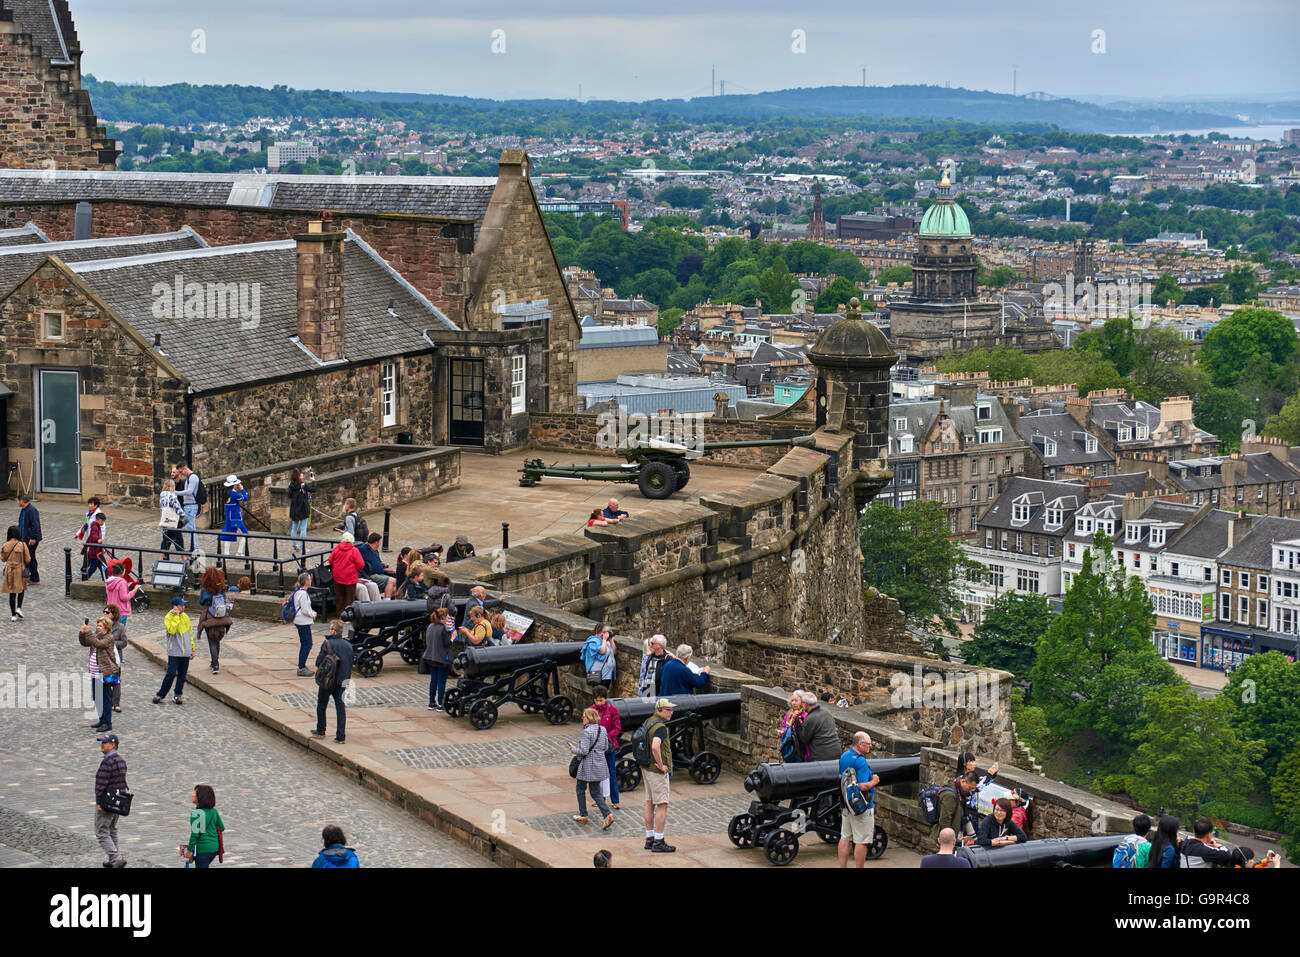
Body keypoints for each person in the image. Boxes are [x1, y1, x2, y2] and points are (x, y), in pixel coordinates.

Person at [837, 731, 880, 868]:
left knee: (845, 837)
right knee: (862, 841)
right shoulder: (860, 761)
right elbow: (862, 786)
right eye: (868, 744)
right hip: (861, 806)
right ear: (860, 744)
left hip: (846, 804)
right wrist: (874, 781)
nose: (870, 746)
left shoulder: (844, 756)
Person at [570, 708, 614, 829]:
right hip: (600, 765)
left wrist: (573, 748)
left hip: (588, 766)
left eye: (584, 716)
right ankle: (607, 814)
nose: (582, 718)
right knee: (595, 792)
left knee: (580, 789)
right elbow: (605, 747)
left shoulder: (587, 732)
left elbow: (583, 751)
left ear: (589, 718)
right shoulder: (603, 729)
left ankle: (583, 814)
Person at [642, 698, 675, 853]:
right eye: (668, 710)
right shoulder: (660, 727)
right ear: (660, 710)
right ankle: (659, 841)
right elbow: (655, 747)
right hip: (656, 771)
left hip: (646, 768)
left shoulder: (649, 721)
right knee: (662, 805)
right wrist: (662, 765)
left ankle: (650, 838)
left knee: (649, 803)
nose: (671, 712)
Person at [312, 622, 354, 744]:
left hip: (328, 681)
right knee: (340, 709)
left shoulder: (327, 644)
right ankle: (341, 737)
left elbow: (318, 662)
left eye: (331, 629)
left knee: (321, 705)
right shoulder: (348, 645)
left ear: (334, 631)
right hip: (341, 681)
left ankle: (321, 729)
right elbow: (350, 664)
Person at [94, 733, 129, 868]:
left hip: (107, 801)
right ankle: (113, 858)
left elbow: (100, 784)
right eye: (102, 742)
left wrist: (99, 802)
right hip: (118, 800)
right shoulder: (120, 760)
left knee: (101, 831)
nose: (102, 744)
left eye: (105, 742)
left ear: (113, 745)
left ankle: (115, 857)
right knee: (112, 829)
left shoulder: (107, 762)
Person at [153, 596, 194, 705]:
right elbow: (171, 630)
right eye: (181, 605)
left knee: (182, 674)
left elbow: (189, 634)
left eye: (184, 605)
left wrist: (192, 649)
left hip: (185, 651)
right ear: (175, 607)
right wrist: (176, 616)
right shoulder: (168, 617)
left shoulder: (186, 617)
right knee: (170, 674)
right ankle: (160, 694)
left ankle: (178, 694)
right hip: (174, 651)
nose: (183, 607)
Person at [80, 616, 118, 732]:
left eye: (100, 626)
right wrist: (82, 633)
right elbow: (85, 642)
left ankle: (107, 722)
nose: (98, 627)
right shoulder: (97, 636)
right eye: (98, 625)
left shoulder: (109, 638)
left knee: (105, 699)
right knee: (97, 698)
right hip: (95, 673)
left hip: (104, 673)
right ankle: (102, 720)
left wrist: (89, 632)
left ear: (106, 627)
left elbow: (98, 644)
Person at [197, 567, 233, 674]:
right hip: (221, 617)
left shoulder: (205, 589)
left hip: (210, 618)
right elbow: (224, 600)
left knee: (211, 641)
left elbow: (201, 602)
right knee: (217, 640)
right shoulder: (221, 588)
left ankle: (215, 664)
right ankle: (214, 662)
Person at [591, 685, 622, 810]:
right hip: (596, 747)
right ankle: (599, 798)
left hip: (609, 746)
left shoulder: (612, 710)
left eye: (601, 700)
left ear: (605, 699)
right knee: (597, 774)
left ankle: (615, 800)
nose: (598, 703)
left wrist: (605, 736)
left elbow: (617, 728)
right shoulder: (591, 710)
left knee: (611, 773)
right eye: (596, 700)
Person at [932, 772, 981, 846]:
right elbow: (945, 819)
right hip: (944, 840)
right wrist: (947, 841)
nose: (970, 791)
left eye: (973, 789)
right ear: (963, 781)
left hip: (952, 837)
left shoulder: (960, 792)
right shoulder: (950, 795)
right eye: (970, 788)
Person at [956, 751, 999, 836]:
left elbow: (982, 781)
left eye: (974, 761)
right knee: (966, 837)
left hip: (973, 812)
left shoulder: (971, 777)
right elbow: (977, 787)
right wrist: (989, 774)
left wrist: (992, 774)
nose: (974, 764)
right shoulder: (961, 779)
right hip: (965, 812)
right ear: (964, 764)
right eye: (971, 761)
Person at [422, 605, 455, 711]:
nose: (447, 619)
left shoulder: (430, 626)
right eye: (447, 618)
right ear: (442, 618)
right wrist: (453, 637)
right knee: (441, 682)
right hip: (441, 659)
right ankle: (440, 704)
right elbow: (447, 643)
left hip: (431, 658)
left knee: (433, 681)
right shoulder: (443, 629)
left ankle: (431, 703)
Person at [186, 785, 225, 869]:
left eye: (195, 794)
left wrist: (189, 850)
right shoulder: (214, 811)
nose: (193, 795)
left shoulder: (196, 813)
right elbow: (222, 828)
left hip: (203, 850)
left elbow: (195, 834)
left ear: (200, 797)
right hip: (214, 849)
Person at [794, 690, 840, 762]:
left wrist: (797, 723)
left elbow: (803, 739)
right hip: (836, 752)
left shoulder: (811, 718)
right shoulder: (826, 712)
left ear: (805, 704)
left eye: (802, 703)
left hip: (821, 756)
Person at [328, 532, 365, 614]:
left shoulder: (337, 549)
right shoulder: (354, 550)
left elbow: (330, 560)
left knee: (339, 597)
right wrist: (355, 570)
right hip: (350, 577)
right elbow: (361, 564)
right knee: (350, 598)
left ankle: (340, 614)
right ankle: (348, 615)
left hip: (338, 577)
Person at [290, 572, 317, 676]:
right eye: (309, 579)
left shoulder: (298, 592)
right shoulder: (303, 594)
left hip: (300, 621)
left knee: (304, 644)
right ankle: (301, 668)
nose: (311, 581)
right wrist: (313, 614)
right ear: (306, 582)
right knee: (308, 644)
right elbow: (305, 610)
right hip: (303, 622)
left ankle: (301, 666)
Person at [2, 525, 30, 621]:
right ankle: (19, 608)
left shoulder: (5, 545)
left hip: (9, 570)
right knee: (21, 589)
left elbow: (3, 559)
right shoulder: (22, 545)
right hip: (20, 570)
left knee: (12, 592)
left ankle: (13, 615)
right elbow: (28, 559)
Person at [287, 468, 316, 555]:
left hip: (294, 508)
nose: (302, 475)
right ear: (299, 476)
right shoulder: (303, 485)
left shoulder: (290, 485)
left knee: (294, 527)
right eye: (301, 474)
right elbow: (313, 489)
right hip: (303, 508)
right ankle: (302, 547)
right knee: (303, 528)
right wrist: (313, 481)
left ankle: (294, 546)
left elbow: (289, 496)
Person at [103, 561, 139, 630]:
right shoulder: (122, 582)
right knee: (119, 632)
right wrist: (133, 592)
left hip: (110, 610)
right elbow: (124, 598)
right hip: (120, 611)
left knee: (110, 630)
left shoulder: (108, 581)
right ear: (122, 572)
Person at [175, 462, 201, 551]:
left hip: (191, 506)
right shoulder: (189, 478)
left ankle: (195, 547)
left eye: (181, 472)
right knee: (186, 526)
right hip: (188, 506)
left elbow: (189, 491)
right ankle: (192, 546)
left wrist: (175, 492)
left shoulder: (193, 477)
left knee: (190, 526)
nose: (181, 474)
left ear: (185, 468)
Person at [106, 603, 127, 714]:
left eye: (107, 612)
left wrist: (112, 643)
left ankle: (116, 703)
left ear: (113, 614)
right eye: (104, 612)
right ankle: (108, 702)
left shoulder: (120, 627)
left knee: (116, 681)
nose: (105, 614)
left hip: (115, 658)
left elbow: (124, 643)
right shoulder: (101, 626)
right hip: (104, 658)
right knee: (105, 681)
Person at [778, 690, 810, 762]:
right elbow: (784, 726)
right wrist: (782, 732)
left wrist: (796, 718)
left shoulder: (805, 714)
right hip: (790, 746)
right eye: (792, 700)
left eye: (796, 700)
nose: (794, 703)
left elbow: (803, 730)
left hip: (800, 748)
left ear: (802, 702)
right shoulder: (789, 713)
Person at [17, 492, 40, 584]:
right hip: (25, 538)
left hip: (30, 539)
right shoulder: (24, 510)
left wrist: (33, 538)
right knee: (29, 557)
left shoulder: (31, 510)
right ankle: (33, 577)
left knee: (28, 558)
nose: (17, 502)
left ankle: (31, 577)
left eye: (18, 501)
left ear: (22, 501)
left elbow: (35, 525)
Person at [638, 634, 670, 698]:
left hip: (658, 691)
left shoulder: (667, 659)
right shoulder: (650, 656)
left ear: (659, 645)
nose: (650, 645)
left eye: (652, 643)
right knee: (645, 706)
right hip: (647, 688)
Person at [159, 479, 186, 554]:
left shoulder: (162, 495)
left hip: (166, 520)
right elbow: (177, 507)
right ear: (171, 486)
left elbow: (161, 508)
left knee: (165, 540)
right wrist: (183, 516)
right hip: (173, 521)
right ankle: (184, 558)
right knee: (179, 540)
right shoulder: (172, 495)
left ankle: (162, 558)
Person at [80, 511, 107, 581]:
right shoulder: (95, 527)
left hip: (98, 551)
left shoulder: (96, 526)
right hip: (95, 552)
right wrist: (98, 539)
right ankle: (85, 577)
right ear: (98, 520)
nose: (103, 523)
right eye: (102, 521)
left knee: (103, 566)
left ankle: (106, 579)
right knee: (94, 567)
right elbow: (94, 536)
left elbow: (90, 537)